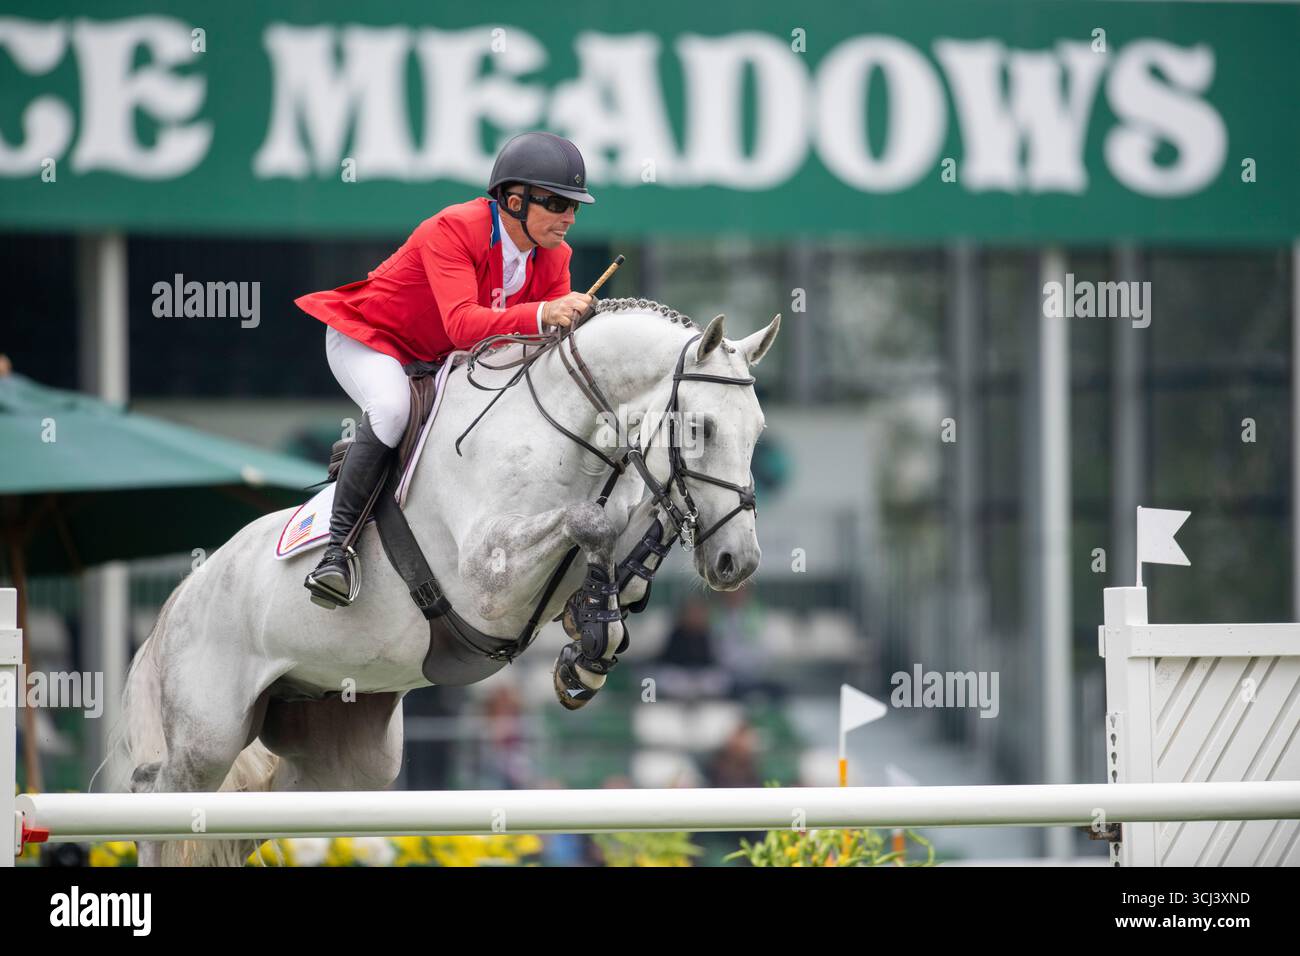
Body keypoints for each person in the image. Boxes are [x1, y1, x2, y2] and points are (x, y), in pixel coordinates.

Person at [295, 131, 596, 608]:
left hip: (438, 360)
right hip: (373, 338)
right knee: (392, 411)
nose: (570, 218)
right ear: (514, 201)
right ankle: (337, 553)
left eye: (575, 207)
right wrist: (544, 314)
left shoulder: (556, 256)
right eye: (558, 204)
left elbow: (537, 346)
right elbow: (461, 325)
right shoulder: (455, 228)